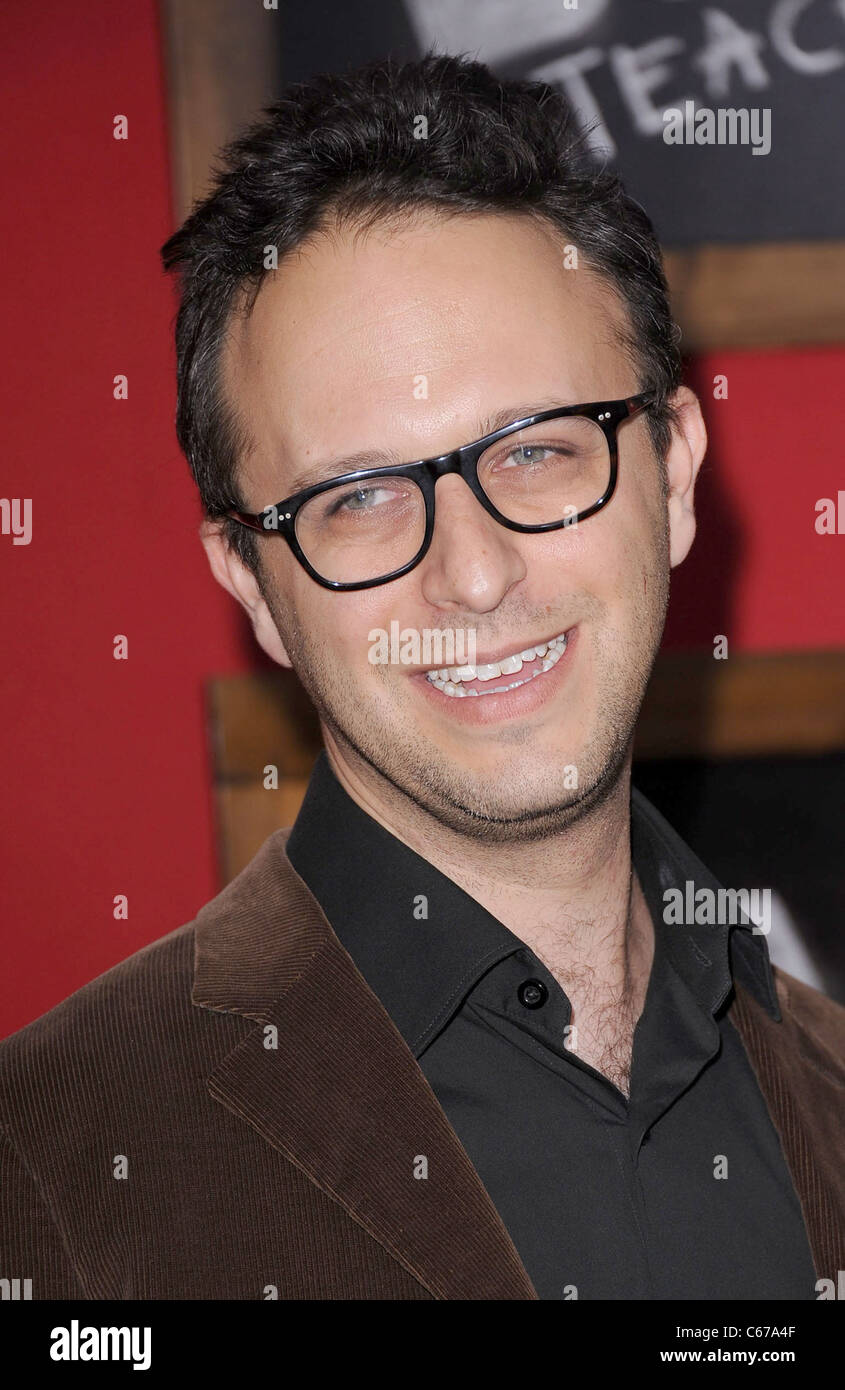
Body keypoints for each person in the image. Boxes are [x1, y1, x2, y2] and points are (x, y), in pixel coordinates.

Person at [1, 53, 842, 1302]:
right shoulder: (46, 1164)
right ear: (250, 584)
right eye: (358, 497)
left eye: (538, 450)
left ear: (669, 473)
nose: (475, 575)